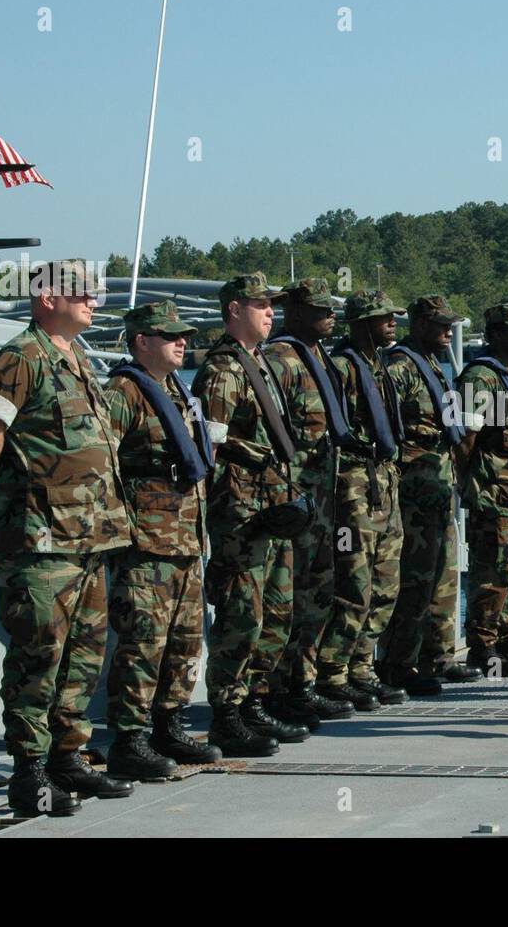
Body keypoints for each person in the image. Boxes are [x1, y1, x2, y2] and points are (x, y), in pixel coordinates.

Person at [0, 258, 133, 816]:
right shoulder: (22, 358)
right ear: (47, 299)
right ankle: (29, 773)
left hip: (89, 543)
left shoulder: (77, 358)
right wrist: (27, 488)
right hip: (40, 545)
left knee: (82, 662)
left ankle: (68, 760)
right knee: (38, 661)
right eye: (82, 293)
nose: (94, 300)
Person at [104, 301, 223, 779]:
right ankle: (129, 740)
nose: (181, 342)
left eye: (184, 335)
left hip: (187, 540)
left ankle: (168, 725)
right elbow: (101, 464)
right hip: (147, 544)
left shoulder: (176, 391)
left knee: (185, 641)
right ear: (141, 341)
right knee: (143, 643)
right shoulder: (123, 393)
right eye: (169, 335)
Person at [193, 271, 309, 757]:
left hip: (273, 507)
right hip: (240, 512)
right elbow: (210, 443)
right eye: (261, 305)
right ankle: (226, 712)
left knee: (276, 611)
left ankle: (256, 700)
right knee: (243, 613)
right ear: (234, 309)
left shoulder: (259, 364)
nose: (270, 313)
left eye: (272, 305)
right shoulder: (223, 370)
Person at [263, 277, 357, 729]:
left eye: (331, 309)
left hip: (325, 492)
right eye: (320, 310)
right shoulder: (279, 361)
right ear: (294, 313)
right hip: (295, 496)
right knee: (291, 595)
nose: (330, 316)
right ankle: (278, 689)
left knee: (319, 592)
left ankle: (306, 682)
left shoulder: (319, 358)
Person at [380, 295, 484, 694]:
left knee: (443, 576)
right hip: (413, 492)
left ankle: (437, 657)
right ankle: (398, 665)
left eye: (449, 325)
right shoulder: (400, 367)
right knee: (413, 580)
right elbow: (390, 431)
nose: (447, 332)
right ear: (419, 324)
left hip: (439, 488)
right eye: (440, 325)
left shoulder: (433, 368)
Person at [315, 289, 408, 710]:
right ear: (360, 323)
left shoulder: (379, 365)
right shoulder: (341, 367)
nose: (391, 322)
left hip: (384, 479)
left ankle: (362, 666)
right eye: (382, 317)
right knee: (354, 579)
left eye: (392, 316)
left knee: (385, 581)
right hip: (354, 482)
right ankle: (333, 671)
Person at [456, 302, 508, 678]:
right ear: (496, 334)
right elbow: (463, 437)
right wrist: (466, 483)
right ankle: (483, 645)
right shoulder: (478, 377)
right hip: (493, 493)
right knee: (492, 571)